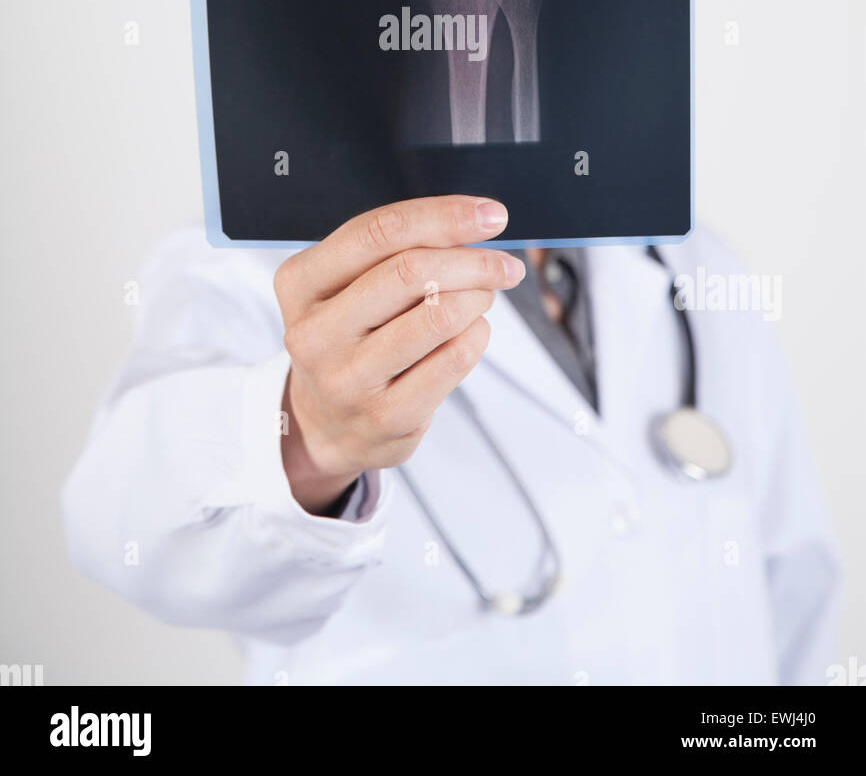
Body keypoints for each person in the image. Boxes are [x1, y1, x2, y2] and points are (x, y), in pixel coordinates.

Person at [62, 196, 840, 686]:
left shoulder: (688, 260)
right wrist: (306, 434)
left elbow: (795, 586)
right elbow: (118, 525)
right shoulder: (245, 267)